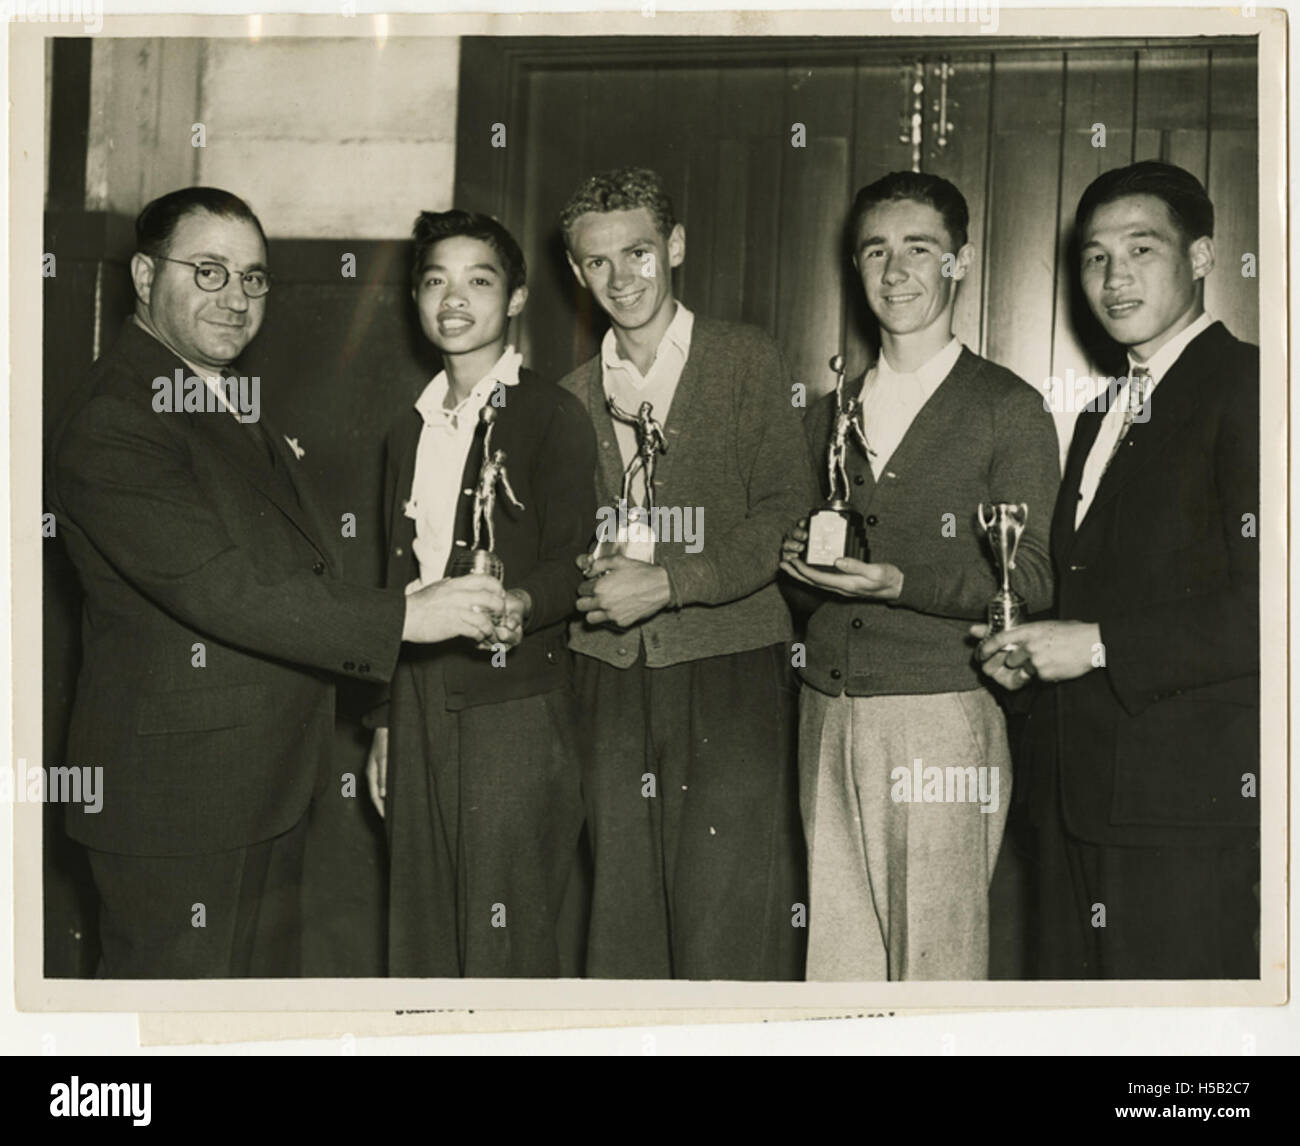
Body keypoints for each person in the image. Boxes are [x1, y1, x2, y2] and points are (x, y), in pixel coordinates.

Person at [47, 187, 504, 978]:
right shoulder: (117, 417)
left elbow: (288, 564)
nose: (235, 298)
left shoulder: (208, 390)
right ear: (144, 275)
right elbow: (222, 587)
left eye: (253, 279)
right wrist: (401, 616)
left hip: (256, 786)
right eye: (210, 271)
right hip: (179, 807)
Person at [973, 161, 1260, 979]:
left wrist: (1097, 645)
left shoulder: (1251, 388)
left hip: (1183, 809)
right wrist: (1030, 649)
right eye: (1095, 257)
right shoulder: (1102, 410)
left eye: (1142, 248)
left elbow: (1275, 608)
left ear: (1202, 258)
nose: (1114, 276)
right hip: (1074, 798)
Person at [780, 172, 1060, 980]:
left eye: (919, 250)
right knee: (837, 974)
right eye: (876, 250)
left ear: (960, 263)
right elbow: (807, 577)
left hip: (940, 709)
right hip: (825, 713)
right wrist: (799, 556)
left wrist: (897, 581)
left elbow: (1032, 577)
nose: (895, 271)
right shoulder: (829, 411)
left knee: (935, 970)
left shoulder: (1008, 407)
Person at [560, 166, 814, 980]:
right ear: (575, 271)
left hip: (729, 668)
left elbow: (782, 516)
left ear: (673, 246)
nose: (621, 277)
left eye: (638, 252)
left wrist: (669, 582)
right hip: (608, 680)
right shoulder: (565, 397)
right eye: (598, 262)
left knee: (728, 918)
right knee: (622, 923)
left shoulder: (744, 359)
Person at [366, 209, 596, 977]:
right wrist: (384, 723)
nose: (453, 298)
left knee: (503, 944)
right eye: (435, 280)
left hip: (512, 707)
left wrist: (523, 605)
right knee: (422, 938)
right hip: (418, 703)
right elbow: (391, 584)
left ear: (519, 298)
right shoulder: (408, 429)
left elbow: (576, 559)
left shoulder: (551, 414)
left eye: (479, 279)